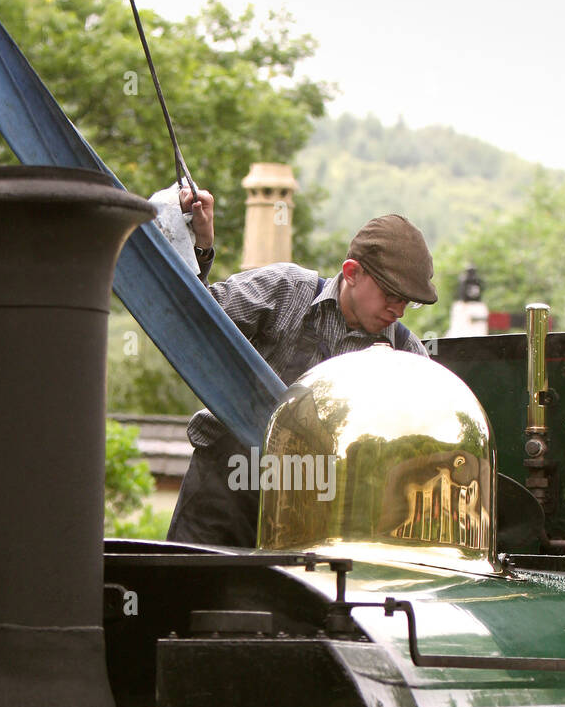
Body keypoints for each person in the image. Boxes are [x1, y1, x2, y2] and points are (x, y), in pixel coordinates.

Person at [167, 187, 438, 547]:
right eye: (391, 294)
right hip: (225, 492)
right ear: (352, 272)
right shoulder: (285, 291)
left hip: (315, 519)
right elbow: (191, 317)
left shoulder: (407, 359)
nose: (399, 310)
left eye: (407, 301)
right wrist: (200, 245)